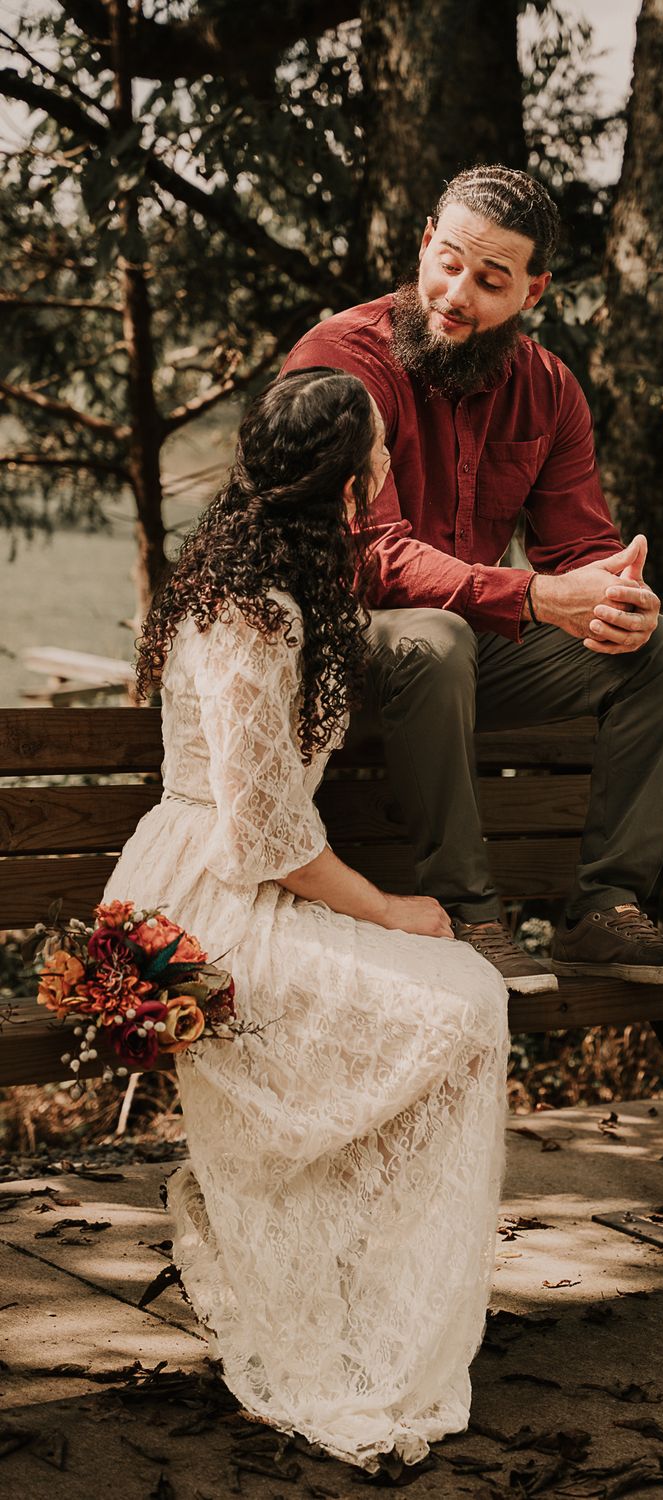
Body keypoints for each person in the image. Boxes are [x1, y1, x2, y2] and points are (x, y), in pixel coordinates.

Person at [100, 368, 510, 1472]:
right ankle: (335, 1297)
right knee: (462, 999)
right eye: (379, 450)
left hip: (231, 882)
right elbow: (263, 835)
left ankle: (359, 1283)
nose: (388, 464)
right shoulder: (250, 609)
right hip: (202, 904)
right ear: (351, 475)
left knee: (458, 1002)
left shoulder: (278, 585)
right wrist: (395, 912)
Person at [281, 164, 663, 995]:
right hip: (330, 645)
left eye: (490, 279)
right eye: (446, 262)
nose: (455, 293)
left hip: (458, 658)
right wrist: (540, 597)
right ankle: (468, 915)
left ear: (534, 290)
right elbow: (369, 555)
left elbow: (581, 547)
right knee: (434, 637)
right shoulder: (339, 358)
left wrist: (617, 600)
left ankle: (606, 911)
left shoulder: (548, 389)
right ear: (424, 245)